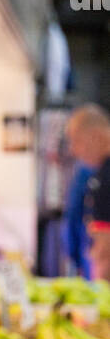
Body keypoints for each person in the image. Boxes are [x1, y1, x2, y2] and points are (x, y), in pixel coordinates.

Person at [66, 105, 110, 283]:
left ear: (97, 136)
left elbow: (105, 247)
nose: (73, 150)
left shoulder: (105, 177)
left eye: (77, 141)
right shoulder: (98, 174)